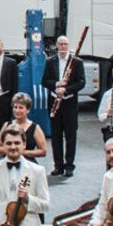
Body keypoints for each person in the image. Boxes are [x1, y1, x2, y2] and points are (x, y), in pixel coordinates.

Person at [41, 35, 82, 177]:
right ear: (57, 46)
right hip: (54, 102)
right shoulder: (50, 61)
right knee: (56, 136)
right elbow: (44, 81)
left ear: (69, 45)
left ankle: (69, 166)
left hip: (69, 103)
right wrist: (56, 85)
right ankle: (58, 166)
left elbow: (81, 82)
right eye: (61, 44)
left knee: (71, 135)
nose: (63, 47)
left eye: (66, 44)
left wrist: (66, 90)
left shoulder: (77, 62)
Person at [3, 93, 50, 162]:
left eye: (21, 108)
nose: (17, 110)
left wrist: (22, 152)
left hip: (28, 162)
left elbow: (43, 151)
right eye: (15, 107)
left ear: (28, 110)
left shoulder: (35, 128)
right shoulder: (6, 125)